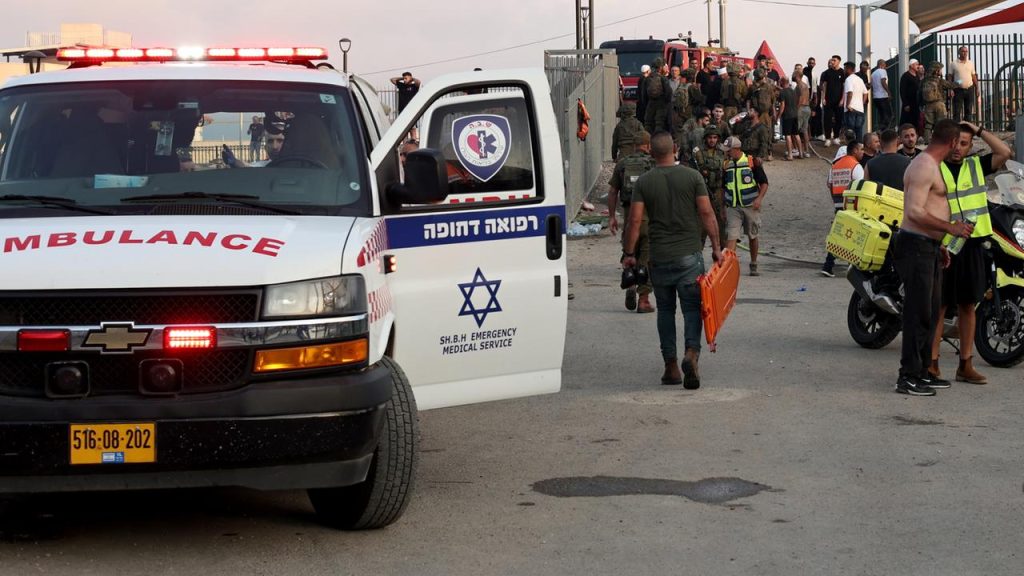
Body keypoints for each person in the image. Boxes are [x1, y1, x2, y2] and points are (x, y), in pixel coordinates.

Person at [622, 131, 722, 388]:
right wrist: (716, 247)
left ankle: (671, 366)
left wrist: (630, 254)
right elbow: (707, 213)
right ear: (675, 149)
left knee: (665, 311)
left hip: (660, 257)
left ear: (652, 153)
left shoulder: (644, 182)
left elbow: (634, 221)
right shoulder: (693, 176)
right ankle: (691, 353)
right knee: (692, 309)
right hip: (689, 256)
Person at [893, 118, 973, 396]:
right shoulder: (924, 166)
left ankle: (924, 370)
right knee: (917, 313)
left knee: (930, 310)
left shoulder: (930, 165)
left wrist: (938, 244)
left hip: (927, 246)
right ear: (951, 142)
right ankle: (908, 376)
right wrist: (950, 228)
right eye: (959, 142)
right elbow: (913, 212)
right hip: (914, 246)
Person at [929, 121, 1012, 385]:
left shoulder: (976, 166)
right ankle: (932, 364)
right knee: (939, 304)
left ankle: (965, 364)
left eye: (965, 144)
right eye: (956, 142)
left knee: (968, 304)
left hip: (973, 244)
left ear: (970, 146)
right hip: (944, 244)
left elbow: (1005, 153)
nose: (958, 149)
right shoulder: (934, 167)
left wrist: (978, 130)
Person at [609, 131, 656, 313]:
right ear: (647, 145)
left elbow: (613, 192)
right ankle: (643, 300)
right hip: (648, 218)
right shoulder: (653, 164)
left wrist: (612, 216)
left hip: (629, 219)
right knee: (646, 259)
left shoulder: (622, 165)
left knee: (629, 253)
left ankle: (630, 286)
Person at [722, 135, 768, 276]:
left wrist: (759, 199)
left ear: (737, 149)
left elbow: (764, 183)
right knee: (732, 236)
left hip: (750, 206)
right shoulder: (726, 165)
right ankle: (729, 268)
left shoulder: (751, 162)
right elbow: (723, 187)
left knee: (752, 235)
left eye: (728, 150)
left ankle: (753, 263)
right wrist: (724, 206)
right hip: (733, 207)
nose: (727, 153)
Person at [821, 141, 865, 277]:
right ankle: (851, 268)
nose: (863, 152)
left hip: (838, 205)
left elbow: (830, 184)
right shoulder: (856, 167)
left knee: (838, 235)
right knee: (854, 237)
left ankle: (828, 265)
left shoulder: (834, 166)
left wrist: (836, 201)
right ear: (855, 150)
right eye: (861, 149)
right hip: (852, 207)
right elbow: (861, 188)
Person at [691, 125, 728, 249]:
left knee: (721, 226)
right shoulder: (697, 152)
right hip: (703, 192)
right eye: (710, 138)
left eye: (715, 137)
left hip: (718, 191)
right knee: (701, 226)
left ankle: (723, 256)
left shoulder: (723, 151)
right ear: (705, 138)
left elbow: (726, 171)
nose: (712, 140)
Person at [921, 62, 954, 143]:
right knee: (941, 124)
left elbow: (919, 92)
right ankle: (940, 140)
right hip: (939, 104)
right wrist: (960, 81)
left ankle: (927, 140)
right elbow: (951, 85)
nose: (941, 71)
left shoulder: (924, 80)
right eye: (940, 70)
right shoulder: (940, 80)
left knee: (928, 124)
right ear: (936, 71)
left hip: (928, 105)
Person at [820, 55, 846, 146]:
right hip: (828, 100)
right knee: (827, 119)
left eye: (834, 60)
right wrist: (823, 98)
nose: (832, 62)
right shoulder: (827, 73)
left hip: (838, 101)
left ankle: (836, 137)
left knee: (838, 119)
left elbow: (844, 87)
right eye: (832, 60)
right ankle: (827, 138)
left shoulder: (842, 72)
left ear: (839, 61)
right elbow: (824, 86)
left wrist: (842, 99)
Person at [644, 58, 673, 135]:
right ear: (660, 67)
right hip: (662, 104)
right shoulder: (663, 78)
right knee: (659, 124)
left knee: (648, 124)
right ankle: (658, 141)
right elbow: (668, 92)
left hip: (650, 104)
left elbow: (643, 95)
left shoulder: (647, 78)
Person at [778, 74, 803, 160]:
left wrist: (778, 115)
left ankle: (790, 155)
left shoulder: (782, 92)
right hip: (795, 115)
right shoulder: (793, 91)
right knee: (796, 134)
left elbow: (782, 106)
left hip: (787, 116)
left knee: (787, 135)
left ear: (782, 82)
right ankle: (801, 153)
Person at [951, 46, 979, 123]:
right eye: (963, 51)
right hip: (958, 90)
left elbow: (973, 76)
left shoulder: (970, 63)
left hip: (969, 89)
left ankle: (967, 129)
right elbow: (950, 77)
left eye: (966, 51)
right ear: (959, 53)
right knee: (957, 111)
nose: (965, 53)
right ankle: (956, 129)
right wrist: (951, 89)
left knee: (969, 111)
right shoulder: (953, 63)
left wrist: (977, 88)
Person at [843, 61, 869, 141]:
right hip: (860, 109)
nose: (844, 70)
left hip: (851, 109)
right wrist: (862, 103)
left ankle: (851, 150)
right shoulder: (860, 80)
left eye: (845, 69)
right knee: (859, 131)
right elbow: (865, 93)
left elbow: (850, 93)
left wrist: (848, 105)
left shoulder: (848, 79)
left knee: (850, 132)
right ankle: (860, 148)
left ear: (848, 69)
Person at [899, 59, 922, 134]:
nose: (918, 66)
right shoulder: (905, 76)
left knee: (916, 120)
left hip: (916, 103)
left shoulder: (917, 76)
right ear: (911, 66)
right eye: (916, 64)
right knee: (906, 120)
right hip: (908, 104)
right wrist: (905, 104)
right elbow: (902, 91)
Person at [871, 59, 893, 131]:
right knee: (889, 115)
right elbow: (883, 82)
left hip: (876, 98)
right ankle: (885, 131)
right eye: (884, 65)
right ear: (881, 65)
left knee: (882, 115)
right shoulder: (882, 71)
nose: (885, 67)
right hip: (883, 97)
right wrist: (889, 93)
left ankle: (881, 130)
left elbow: (872, 85)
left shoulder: (873, 74)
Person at [796, 70, 812, 158]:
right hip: (807, 108)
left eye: (794, 74)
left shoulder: (800, 86)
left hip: (801, 108)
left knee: (795, 130)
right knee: (804, 130)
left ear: (797, 76)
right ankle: (807, 151)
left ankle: (798, 151)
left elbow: (801, 99)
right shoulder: (805, 85)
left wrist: (796, 109)